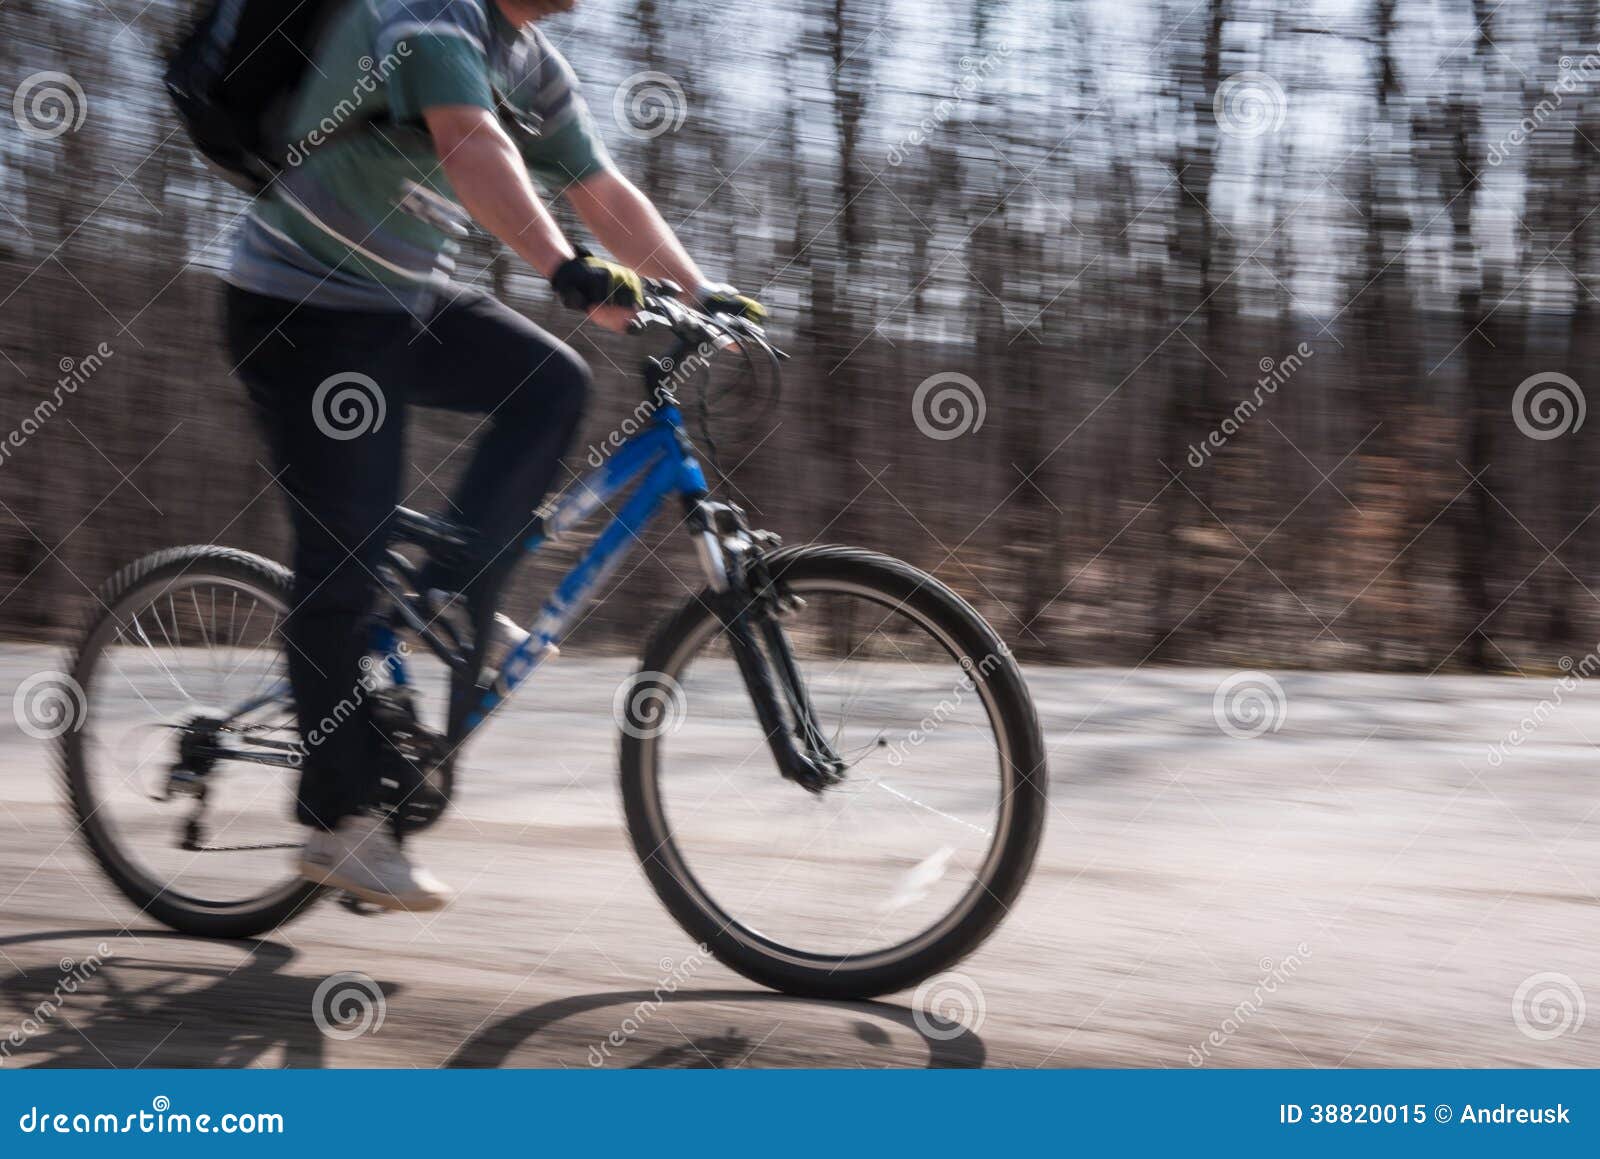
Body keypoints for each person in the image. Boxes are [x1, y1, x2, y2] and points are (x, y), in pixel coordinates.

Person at [222, 0, 765, 912]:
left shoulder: (532, 62)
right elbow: (473, 144)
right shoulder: (432, 13)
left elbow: (598, 185)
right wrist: (563, 268)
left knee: (549, 383)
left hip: (396, 300)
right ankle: (338, 819)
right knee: (344, 554)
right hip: (301, 306)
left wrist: (701, 291)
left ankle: (447, 585)